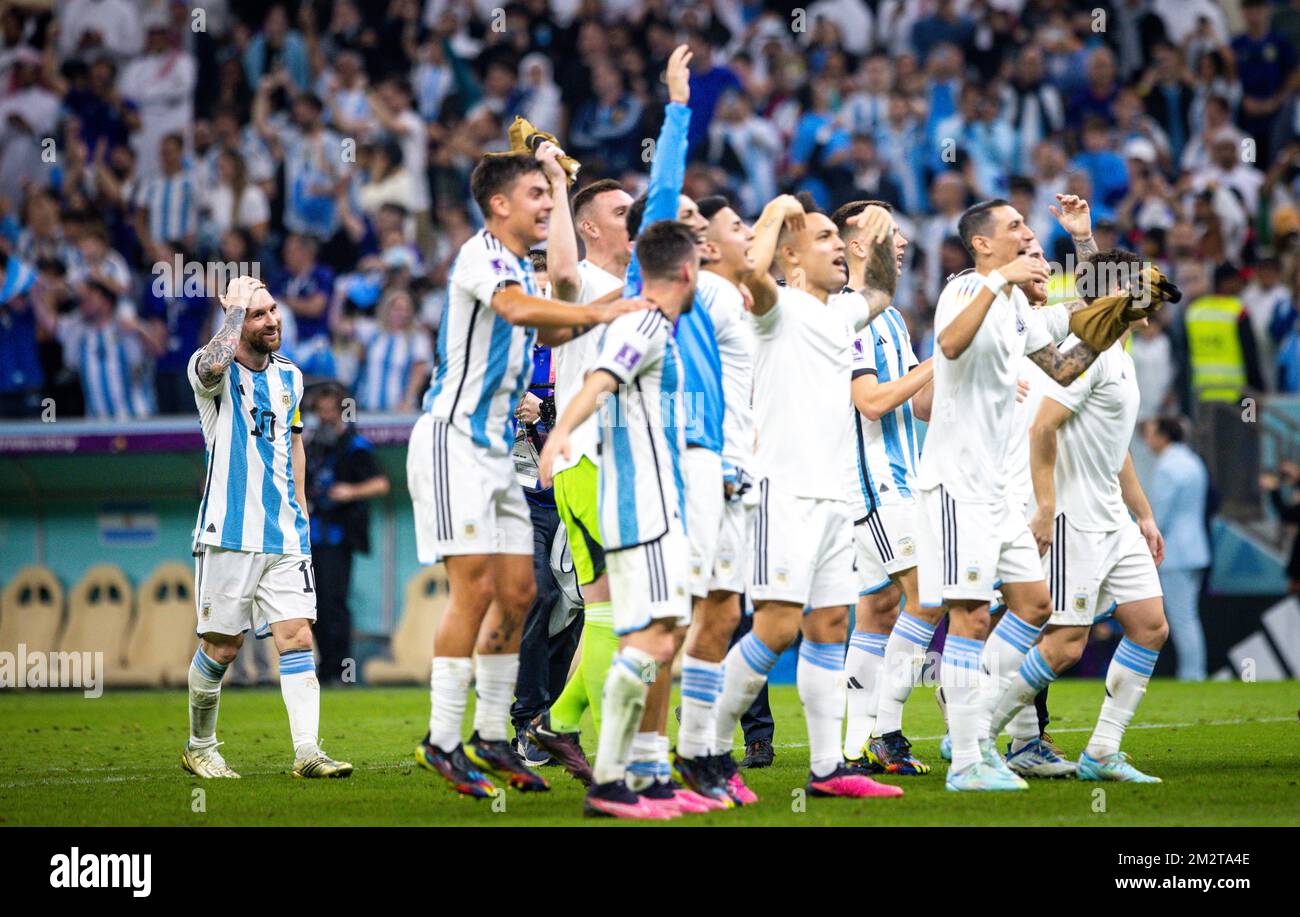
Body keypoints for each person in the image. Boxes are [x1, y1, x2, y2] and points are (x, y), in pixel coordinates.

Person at [406, 145, 637, 799]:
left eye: (548, 194)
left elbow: (557, 326)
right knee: (475, 591)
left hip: (499, 454)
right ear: (499, 203)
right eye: (536, 195)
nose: (544, 205)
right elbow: (519, 311)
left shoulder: (519, 269)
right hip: (452, 442)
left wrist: (620, 303)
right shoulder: (481, 257)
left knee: (519, 592)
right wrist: (601, 312)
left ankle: (491, 735)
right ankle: (442, 740)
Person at [915, 198, 1120, 792]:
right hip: (956, 485)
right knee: (970, 616)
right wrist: (1000, 279)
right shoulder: (966, 287)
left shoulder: (1016, 309)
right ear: (982, 243)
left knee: (1033, 605)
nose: (1028, 233)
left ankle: (972, 721)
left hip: (997, 494)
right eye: (1014, 227)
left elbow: (1067, 361)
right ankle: (966, 760)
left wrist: (1087, 247)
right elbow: (950, 344)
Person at [712, 192, 903, 800]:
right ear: (791, 256)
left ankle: (827, 770)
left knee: (828, 627)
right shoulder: (774, 307)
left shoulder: (840, 313)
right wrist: (778, 210)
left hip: (835, 498)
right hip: (782, 494)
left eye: (839, 240)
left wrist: (879, 242)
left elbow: (883, 292)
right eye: (824, 239)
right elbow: (749, 270)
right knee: (775, 629)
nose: (839, 249)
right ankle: (704, 752)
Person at [537, 219, 700, 819]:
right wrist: (560, 433)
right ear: (689, 271)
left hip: (650, 499)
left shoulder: (651, 320)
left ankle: (614, 758)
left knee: (659, 632)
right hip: (633, 502)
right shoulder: (645, 320)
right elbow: (599, 380)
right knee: (647, 633)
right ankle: (620, 772)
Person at [990, 248, 1170, 783]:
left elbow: (1116, 447)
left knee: (1150, 626)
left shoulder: (1119, 352)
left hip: (1112, 518)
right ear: (1118, 295)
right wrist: (1046, 508)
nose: (1152, 299)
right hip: (1074, 517)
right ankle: (975, 735)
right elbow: (1042, 428)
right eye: (1141, 288)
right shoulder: (1085, 354)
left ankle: (1102, 752)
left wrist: (1144, 515)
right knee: (1065, 643)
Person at [182, 275, 351, 779]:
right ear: (237, 321)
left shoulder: (291, 378)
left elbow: (294, 444)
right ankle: (200, 747)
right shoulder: (209, 369)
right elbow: (213, 364)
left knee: (297, 636)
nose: (272, 320)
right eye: (258, 314)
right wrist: (234, 310)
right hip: (229, 532)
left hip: (284, 533)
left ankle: (307, 752)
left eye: (273, 310)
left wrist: (301, 512)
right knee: (222, 646)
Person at [523, 177, 634, 780]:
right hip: (586, 460)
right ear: (588, 225)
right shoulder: (580, 282)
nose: (632, 217)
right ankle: (621, 763)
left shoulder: (643, 284)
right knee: (610, 609)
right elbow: (562, 273)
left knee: (636, 611)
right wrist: (557, 181)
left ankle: (558, 723)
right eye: (619, 211)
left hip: (631, 465)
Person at [831, 199, 936, 776]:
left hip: (903, 480)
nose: (902, 240)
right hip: (874, 485)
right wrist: (938, 360)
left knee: (878, 609)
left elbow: (920, 404)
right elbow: (870, 402)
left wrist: (963, 365)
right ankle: (887, 733)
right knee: (928, 597)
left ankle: (855, 746)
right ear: (855, 244)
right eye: (887, 232)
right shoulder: (846, 312)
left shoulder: (892, 317)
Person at [303, 383, 391, 683]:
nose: (325, 416)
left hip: (339, 537)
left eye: (331, 410)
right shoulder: (311, 444)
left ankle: (341, 671)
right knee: (314, 604)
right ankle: (325, 668)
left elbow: (381, 484)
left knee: (334, 602)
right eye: (320, 410)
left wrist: (350, 491)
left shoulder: (356, 446)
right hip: (312, 536)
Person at [1143, 416, 1211, 680]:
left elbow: (1158, 516)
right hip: (1197, 548)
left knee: (1182, 618)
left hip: (1176, 553)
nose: (1147, 439)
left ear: (1163, 436)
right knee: (1188, 617)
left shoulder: (1167, 467)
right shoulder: (1194, 461)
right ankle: (1194, 673)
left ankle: (1192, 675)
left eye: (1150, 433)